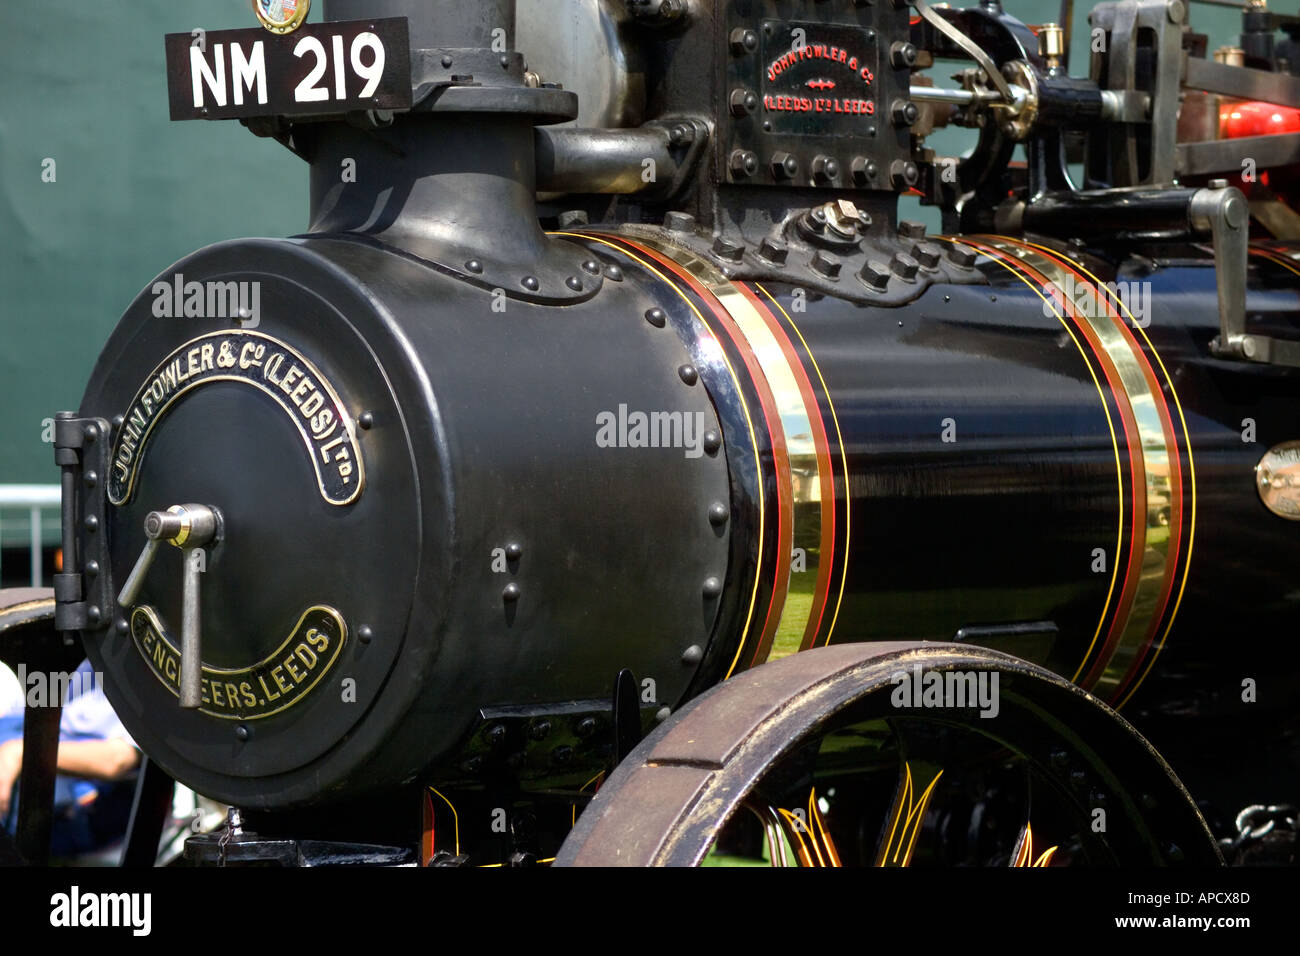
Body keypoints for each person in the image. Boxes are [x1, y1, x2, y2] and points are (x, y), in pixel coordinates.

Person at [0, 660, 140, 859]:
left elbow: (118, 759)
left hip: (83, 809)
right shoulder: (86, 659)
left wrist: (21, 753)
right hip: (26, 747)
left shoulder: (134, 668)